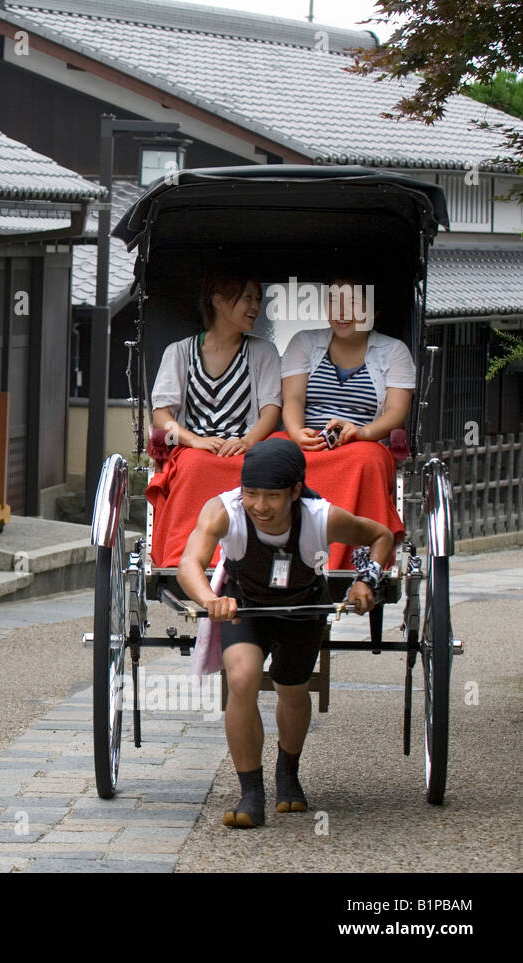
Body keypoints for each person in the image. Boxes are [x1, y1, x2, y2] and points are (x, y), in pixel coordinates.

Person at [178, 438, 393, 828]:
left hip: (304, 606)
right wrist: (210, 598)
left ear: (295, 491)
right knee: (241, 679)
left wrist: (366, 581)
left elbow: (381, 536)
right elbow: (188, 564)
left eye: (273, 496)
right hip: (244, 604)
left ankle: (288, 774)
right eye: (251, 494)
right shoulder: (222, 512)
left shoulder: (320, 517)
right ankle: (251, 792)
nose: (260, 506)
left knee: (291, 688)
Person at [146, 272, 282, 567]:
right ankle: (184, 556)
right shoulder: (180, 351)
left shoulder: (263, 351)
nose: (255, 307)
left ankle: (249, 557)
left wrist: (246, 441)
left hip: (246, 444)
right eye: (247, 298)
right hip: (193, 444)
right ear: (218, 301)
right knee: (195, 465)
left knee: (255, 470)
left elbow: (271, 410)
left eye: (258, 299)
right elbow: (161, 414)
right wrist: (196, 441)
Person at [278, 277, 414, 567]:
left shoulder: (394, 351)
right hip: (308, 437)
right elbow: (293, 400)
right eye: (334, 303)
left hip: (363, 440)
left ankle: (356, 558)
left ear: (374, 311)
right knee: (267, 456)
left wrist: (361, 432)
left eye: (352, 304)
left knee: (366, 461)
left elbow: (395, 412)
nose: (341, 313)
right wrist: (296, 432)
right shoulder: (305, 342)